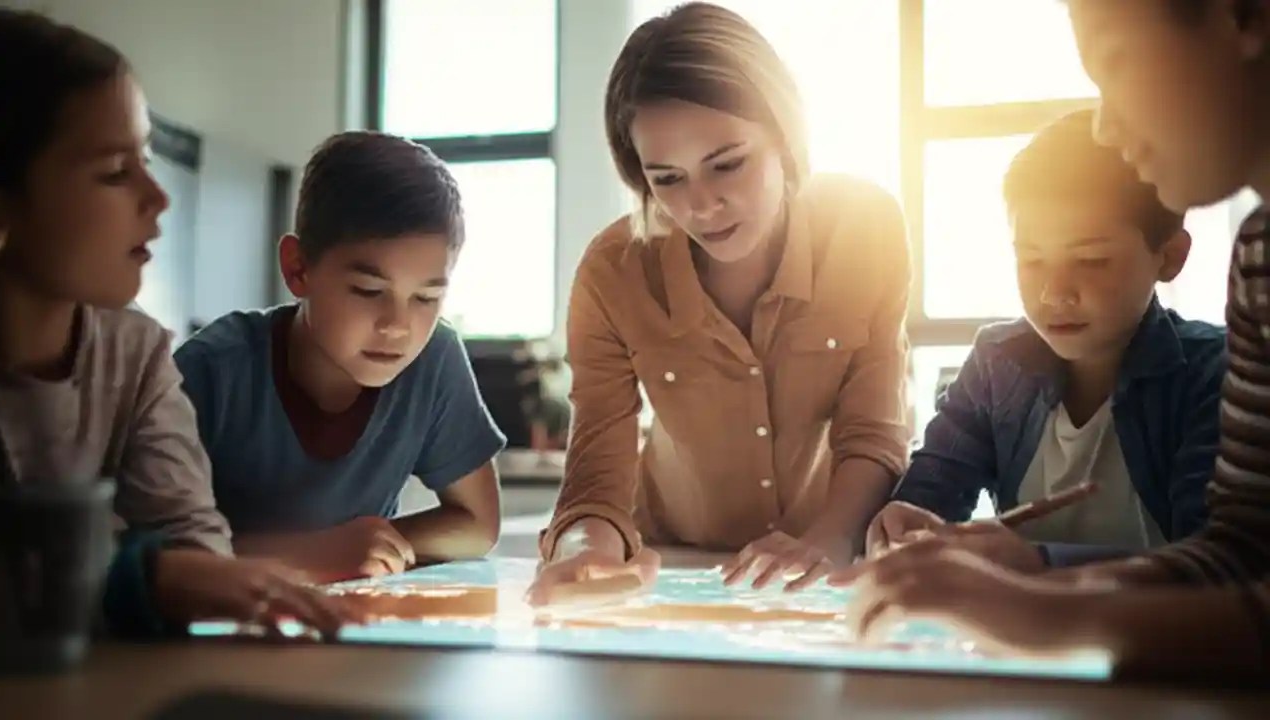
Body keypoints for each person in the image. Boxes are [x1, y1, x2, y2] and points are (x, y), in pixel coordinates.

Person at [832, 0, 1270, 682]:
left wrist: (1040, 602)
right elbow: (1240, 556)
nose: (1106, 123)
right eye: (1030, 258)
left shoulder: (1203, 366)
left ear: (1244, 17)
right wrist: (1010, 579)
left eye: (1118, 66)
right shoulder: (1257, 254)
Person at [528, 1, 911, 605]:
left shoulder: (864, 227)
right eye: (667, 179)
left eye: (727, 164)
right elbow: (598, 467)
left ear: (784, 134)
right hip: (678, 569)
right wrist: (587, 553)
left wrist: (829, 539)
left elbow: (875, 427)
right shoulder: (613, 270)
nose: (702, 205)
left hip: (824, 564)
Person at [0, 8, 354, 636]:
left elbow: (195, 548)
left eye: (149, 160)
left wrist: (174, 574)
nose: (158, 200)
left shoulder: (136, 354)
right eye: (113, 172)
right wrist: (140, 578)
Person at [866, 109, 1225, 572]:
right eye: (1031, 260)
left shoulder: (1211, 375)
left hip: (1158, 636)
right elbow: (933, 489)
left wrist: (1041, 560)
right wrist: (906, 524)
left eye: (1091, 261)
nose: (1054, 293)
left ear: (1170, 256)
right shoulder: (999, 362)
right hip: (1023, 635)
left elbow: (1214, 562)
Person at [175, 132, 505, 584]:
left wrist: (374, 543)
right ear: (298, 268)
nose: (398, 326)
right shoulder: (212, 372)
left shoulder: (434, 358)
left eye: (426, 298)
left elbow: (478, 525)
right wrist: (312, 554)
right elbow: (148, 549)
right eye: (369, 291)